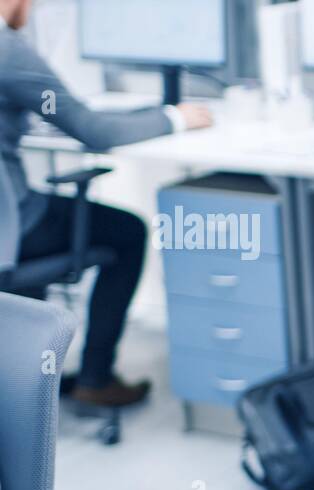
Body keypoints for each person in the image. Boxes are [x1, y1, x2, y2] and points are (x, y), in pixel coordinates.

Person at [1, 0, 212, 406]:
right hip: (13, 229)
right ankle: (96, 379)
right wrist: (177, 118)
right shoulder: (7, 49)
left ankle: (27, 377)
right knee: (129, 231)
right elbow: (95, 131)